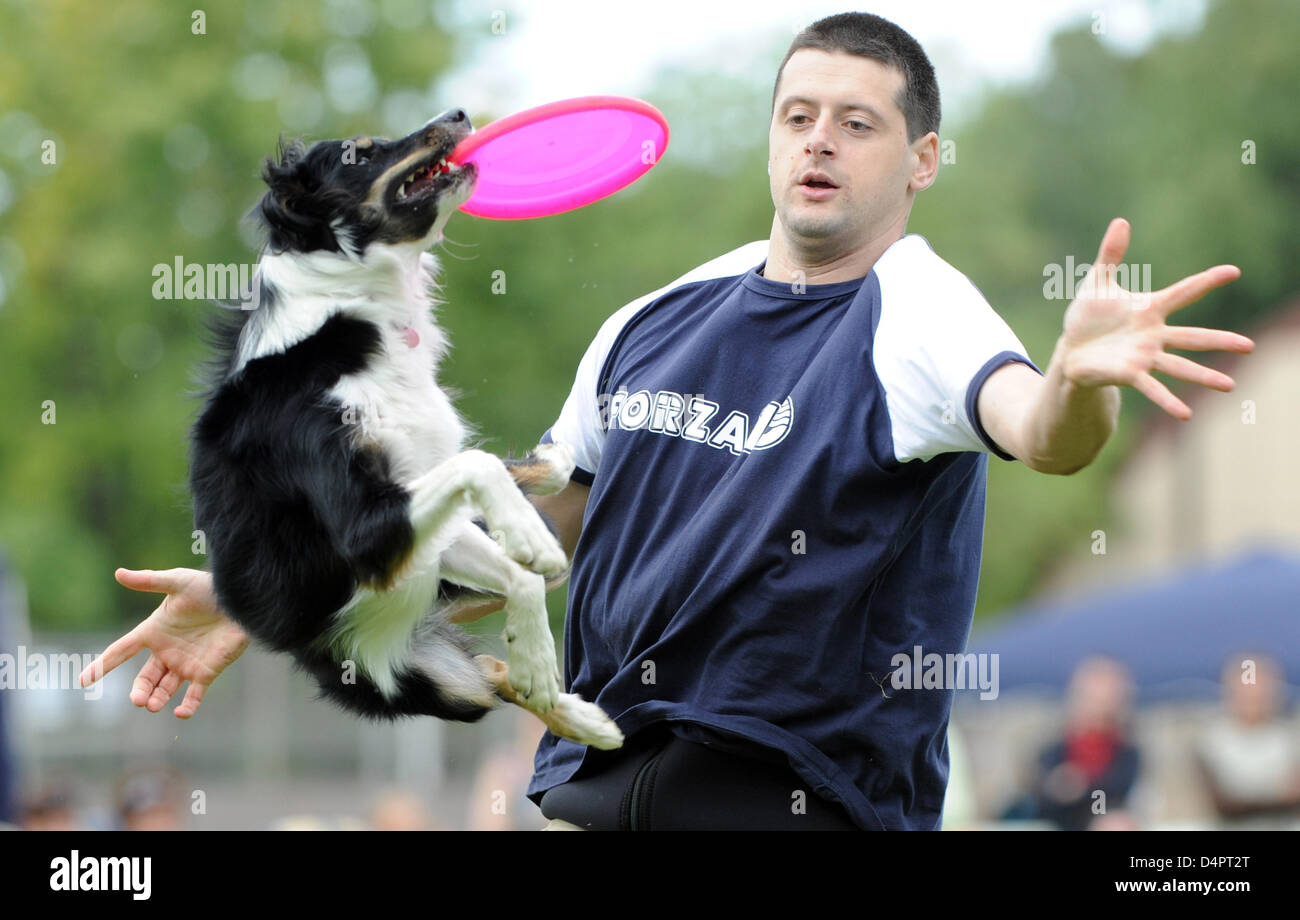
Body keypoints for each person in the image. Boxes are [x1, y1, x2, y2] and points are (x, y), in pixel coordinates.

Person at [82, 13, 1254, 830]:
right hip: (590, 782)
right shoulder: (651, 317)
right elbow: (544, 528)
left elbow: (1042, 431)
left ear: (922, 158)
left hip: (793, 799)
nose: (818, 141)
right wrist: (275, 590)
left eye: (857, 122)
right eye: (798, 114)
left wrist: (1081, 378)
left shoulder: (919, 310)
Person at [1028, 657, 1143, 831]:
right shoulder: (1055, 748)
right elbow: (1041, 794)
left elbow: (1116, 792)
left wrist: (1082, 786)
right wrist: (1058, 787)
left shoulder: (1126, 752)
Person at [1194, 653, 1300, 828]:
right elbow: (1224, 804)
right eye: (1247, 693)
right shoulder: (1210, 741)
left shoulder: (1289, 739)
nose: (1254, 699)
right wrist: (1278, 795)